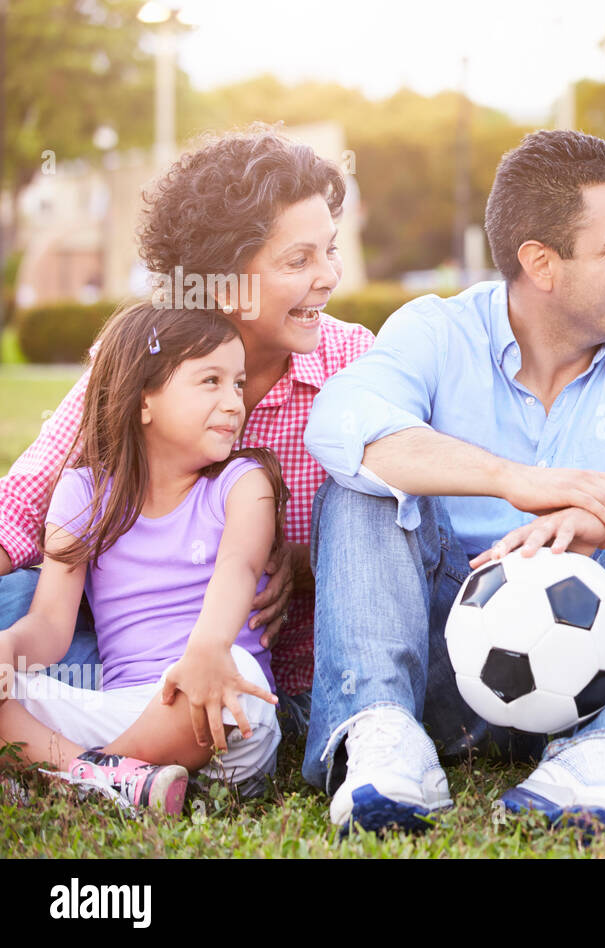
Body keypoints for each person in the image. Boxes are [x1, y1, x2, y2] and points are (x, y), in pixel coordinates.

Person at [302, 130, 605, 844]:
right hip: (448, 667)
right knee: (363, 479)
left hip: (601, 672)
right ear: (540, 263)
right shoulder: (437, 331)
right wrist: (518, 482)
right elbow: (342, 419)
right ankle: (384, 737)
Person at [0, 126, 374, 729]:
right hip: (130, 656)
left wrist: (299, 563)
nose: (328, 276)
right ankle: (104, 742)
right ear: (224, 280)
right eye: (298, 260)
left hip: (277, 677)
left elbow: (399, 532)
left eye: (329, 250)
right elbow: (23, 504)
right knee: (16, 599)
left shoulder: (352, 363)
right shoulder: (150, 358)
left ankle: (93, 742)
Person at [0, 302, 284, 811]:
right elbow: (48, 623)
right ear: (143, 399)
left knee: (237, 674)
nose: (234, 402)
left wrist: (206, 650)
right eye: (210, 381)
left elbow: (238, 569)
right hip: (119, 710)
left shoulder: (244, 484)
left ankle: (70, 776)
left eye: (237, 384)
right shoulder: (83, 492)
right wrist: (6, 653)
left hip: (214, 711)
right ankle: (117, 781)